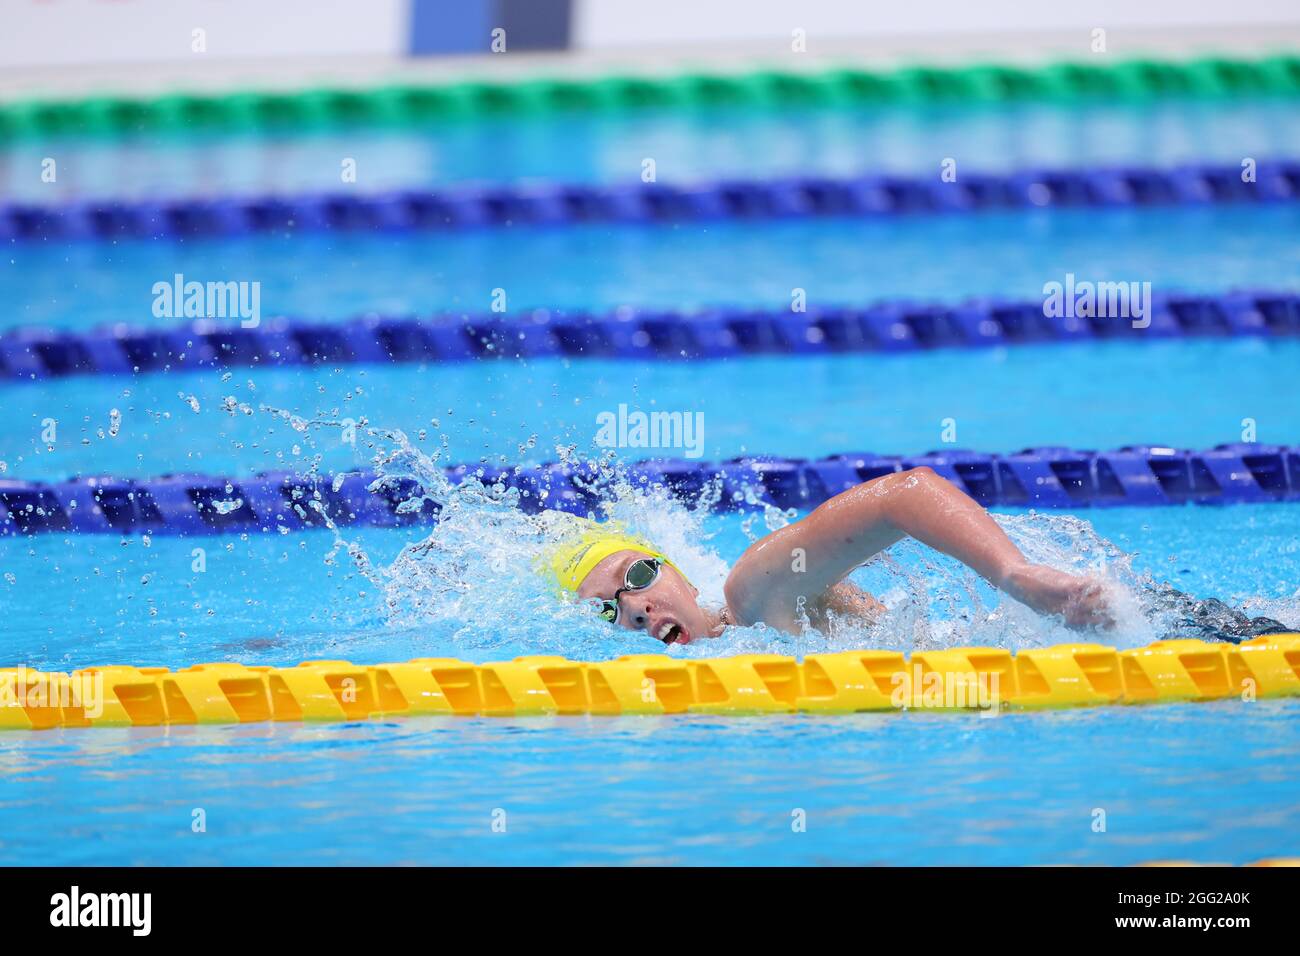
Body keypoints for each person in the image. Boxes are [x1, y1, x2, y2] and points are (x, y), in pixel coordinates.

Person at [546, 466, 1113, 645]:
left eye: (638, 576)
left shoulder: (754, 594)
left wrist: (1016, 576)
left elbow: (903, 493)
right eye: (609, 609)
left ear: (681, 574)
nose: (636, 609)